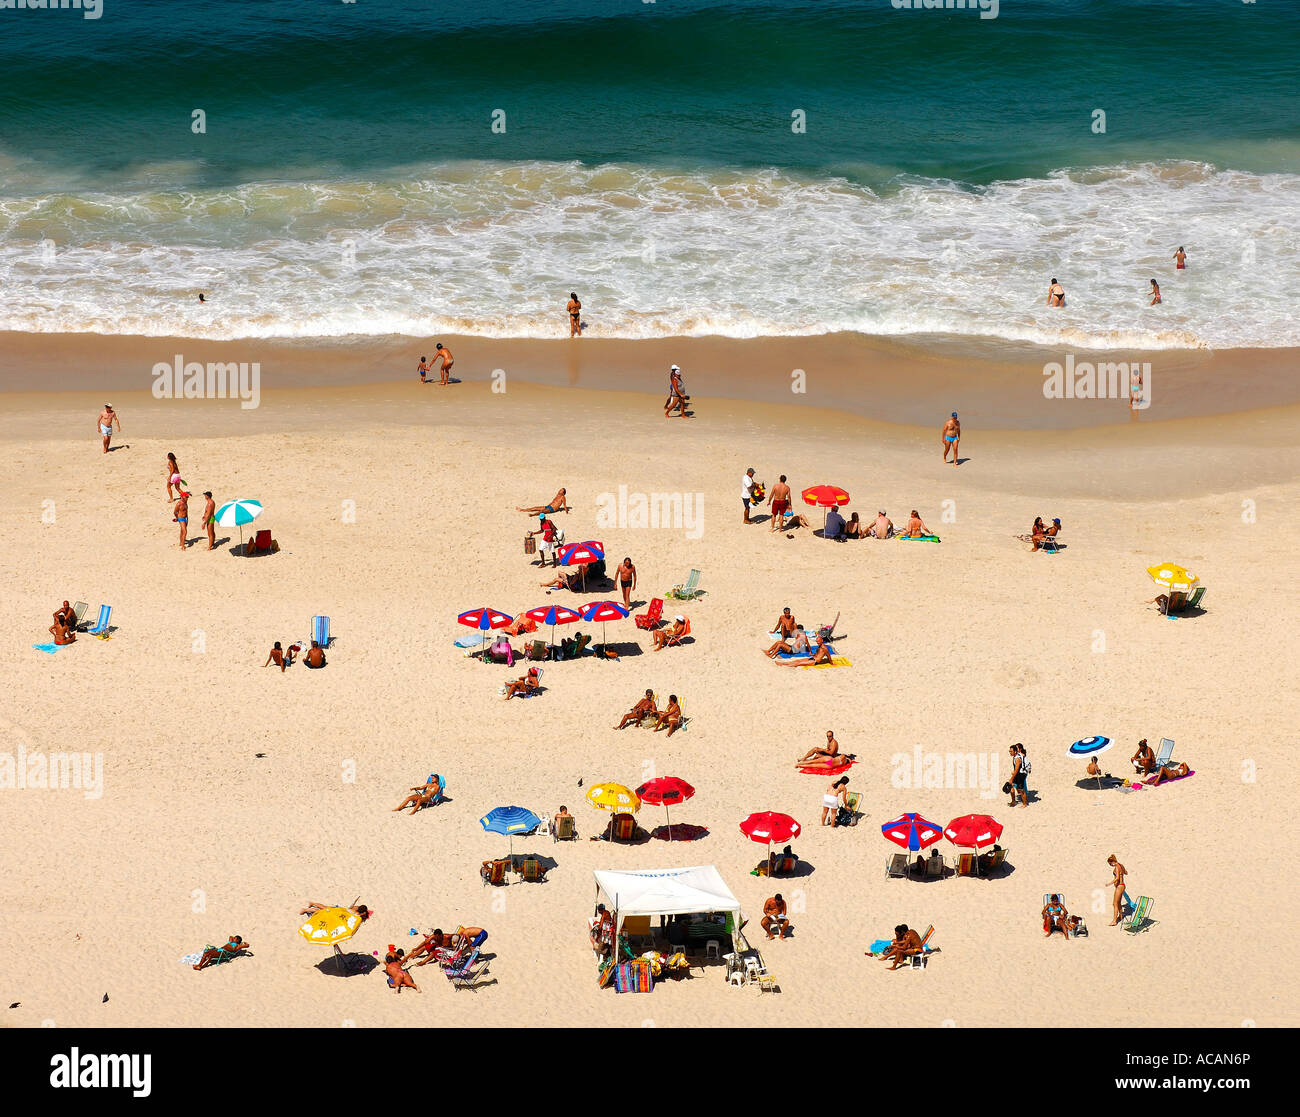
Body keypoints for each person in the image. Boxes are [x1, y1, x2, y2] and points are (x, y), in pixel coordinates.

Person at [1106, 854, 1128, 926]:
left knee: (1114, 904)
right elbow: (1126, 872)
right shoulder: (1121, 865)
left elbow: (1117, 878)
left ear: (1112, 862)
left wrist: (1110, 883)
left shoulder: (1117, 867)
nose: (1110, 865)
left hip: (1119, 886)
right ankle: (1121, 916)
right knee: (1118, 903)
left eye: (1109, 863)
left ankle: (1114, 921)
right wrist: (1122, 874)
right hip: (1122, 885)